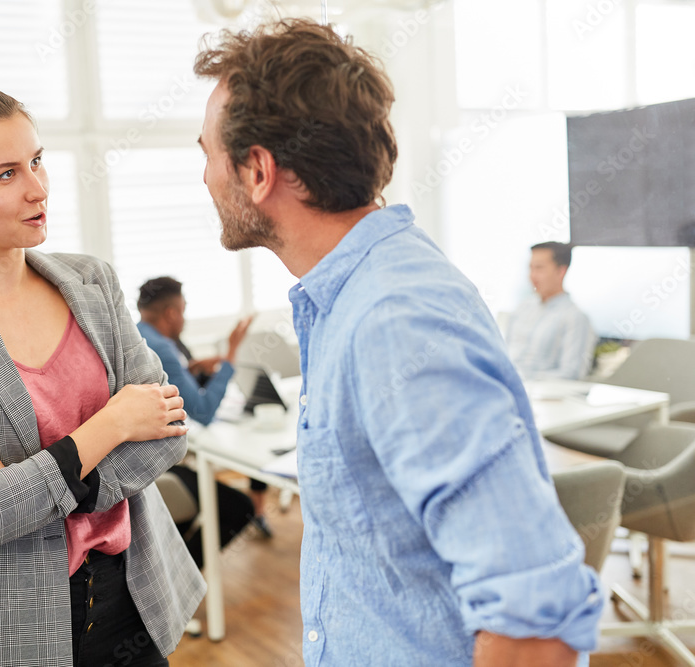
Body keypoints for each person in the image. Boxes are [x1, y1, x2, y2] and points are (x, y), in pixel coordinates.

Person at [194, 20, 602, 667]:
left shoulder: (395, 318)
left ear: (259, 169)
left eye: (208, 154)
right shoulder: (349, 297)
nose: (205, 177)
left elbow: (535, 620)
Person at [0, 87, 204, 667]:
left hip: (132, 597)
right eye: (6, 174)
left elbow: (168, 431)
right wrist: (113, 424)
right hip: (8, 622)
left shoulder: (92, 282)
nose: (38, 188)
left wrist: (26, 482)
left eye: (37, 161)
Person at [136, 277, 262, 560]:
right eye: (183, 310)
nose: (184, 318)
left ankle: (171, 567)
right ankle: (181, 572)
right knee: (241, 508)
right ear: (172, 313)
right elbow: (203, 412)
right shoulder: (164, 348)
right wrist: (230, 355)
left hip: (139, 464)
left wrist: (191, 371)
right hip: (159, 470)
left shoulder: (138, 335)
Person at [506, 242, 597, 380]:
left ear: (561, 271)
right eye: (531, 268)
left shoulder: (575, 317)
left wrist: (522, 379)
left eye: (539, 268)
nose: (532, 276)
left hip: (539, 390)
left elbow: (571, 374)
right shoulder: (523, 308)